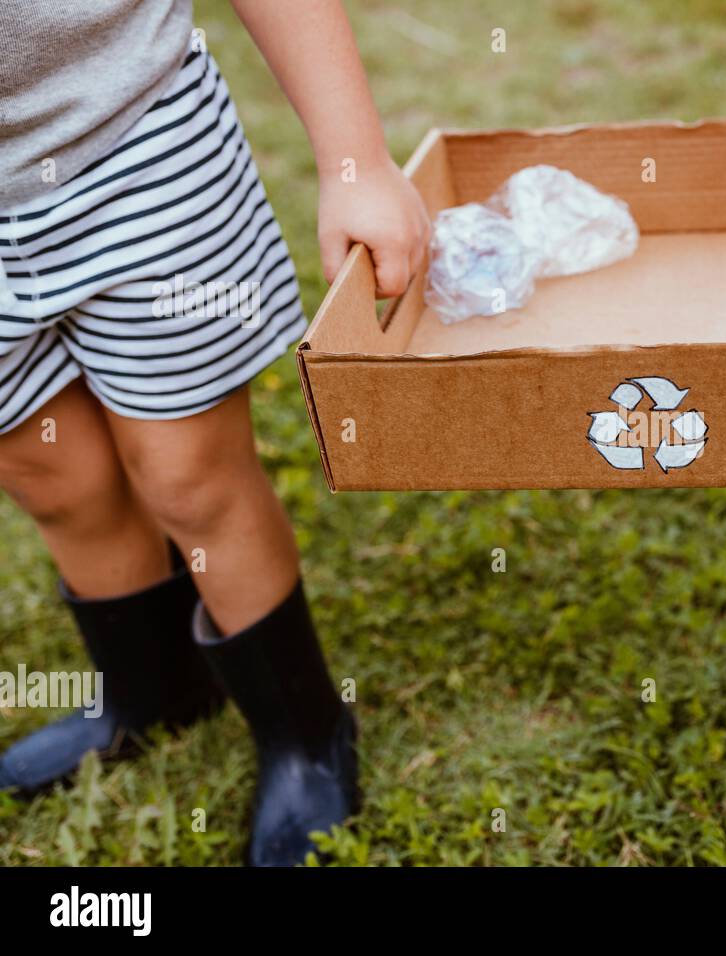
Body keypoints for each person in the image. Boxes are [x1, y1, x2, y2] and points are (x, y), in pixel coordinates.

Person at [0, 0, 429, 864]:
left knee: (188, 475)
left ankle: (306, 734)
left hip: (134, 148)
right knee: (49, 471)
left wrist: (355, 161)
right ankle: (152, 691)